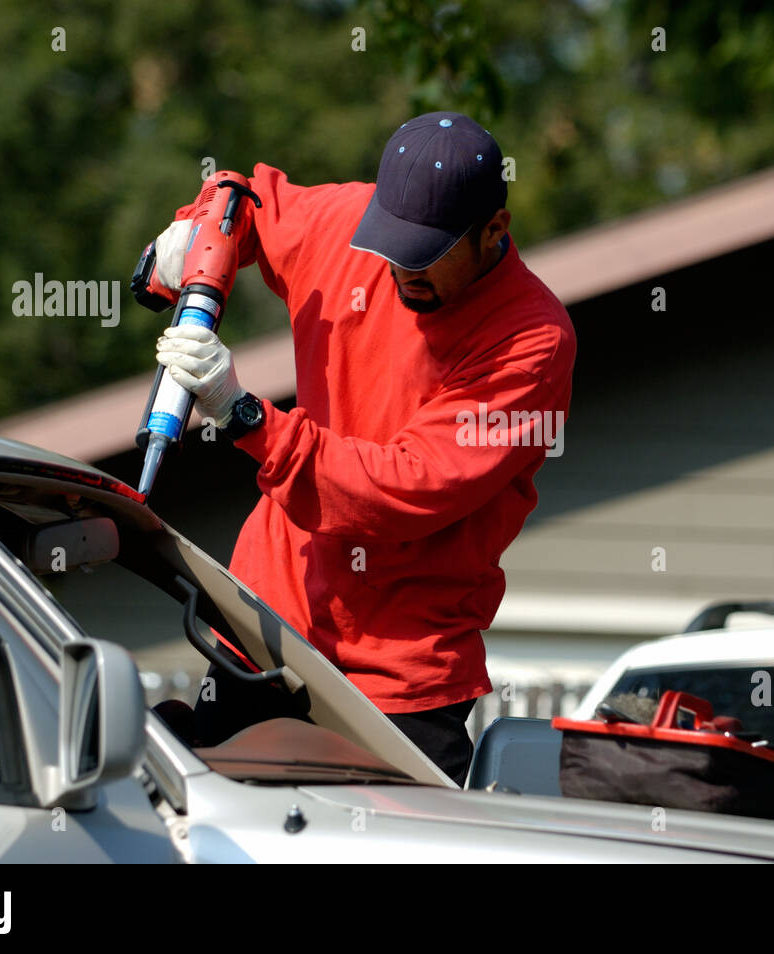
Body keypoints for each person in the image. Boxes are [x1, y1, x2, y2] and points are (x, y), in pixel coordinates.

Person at [153, 112, 576, 785]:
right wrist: (198, 229)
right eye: (391, 242)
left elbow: (404, 487)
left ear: (495, 228)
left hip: (398, 677)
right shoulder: (350, 222)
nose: (400, 267)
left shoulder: (530, 339)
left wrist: (243, 414)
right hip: (266, 627)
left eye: (426, 252)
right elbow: (245, 197)